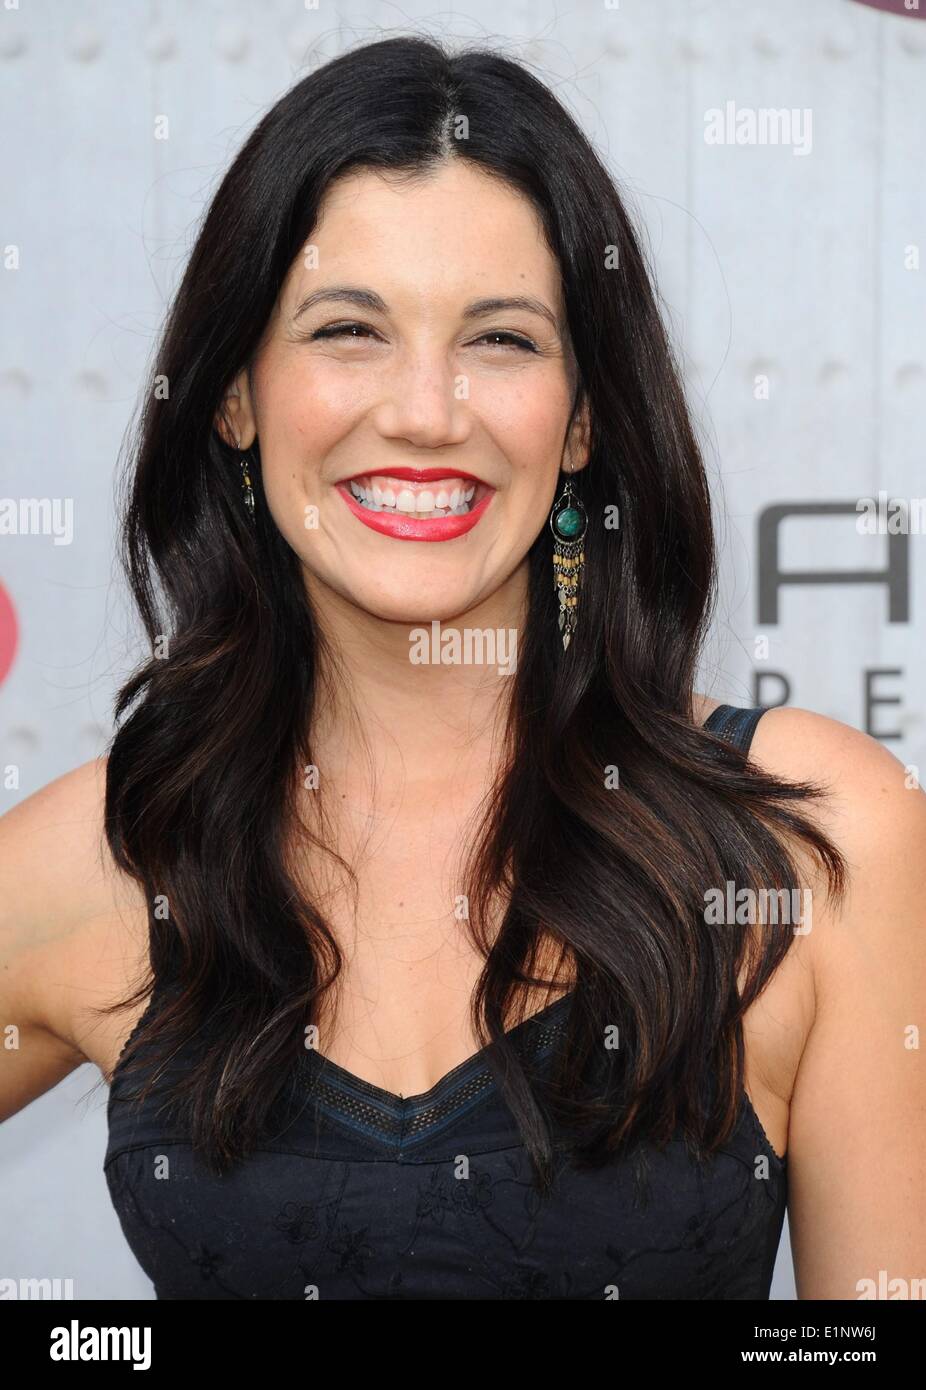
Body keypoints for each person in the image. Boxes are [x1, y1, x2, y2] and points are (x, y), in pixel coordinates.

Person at [1, 35, 923, 1301]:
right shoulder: (108, 861)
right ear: (235, 399)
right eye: (347, 330)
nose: (427, 411)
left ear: (584, 418)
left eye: (498, 339)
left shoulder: (810, 845)